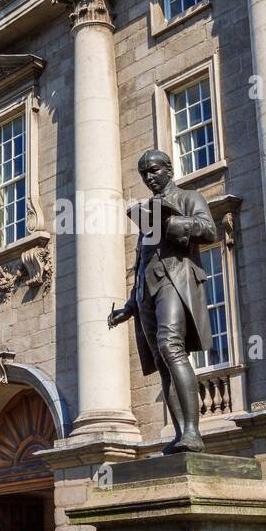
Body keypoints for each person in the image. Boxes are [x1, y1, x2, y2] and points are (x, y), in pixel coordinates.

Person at [109, 148, 217, 452]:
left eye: (154, 171)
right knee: (162, 360)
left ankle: (193, 432)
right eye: (144, 173)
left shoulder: (188, 197)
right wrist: (127, 308)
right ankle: (180, 432)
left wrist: (175, 225)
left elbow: (208, 229)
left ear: (168, 169)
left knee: (172, 347)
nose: (149, 178)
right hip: (147, 292)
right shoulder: (147, 215)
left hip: (175, 282)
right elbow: (143, 264)